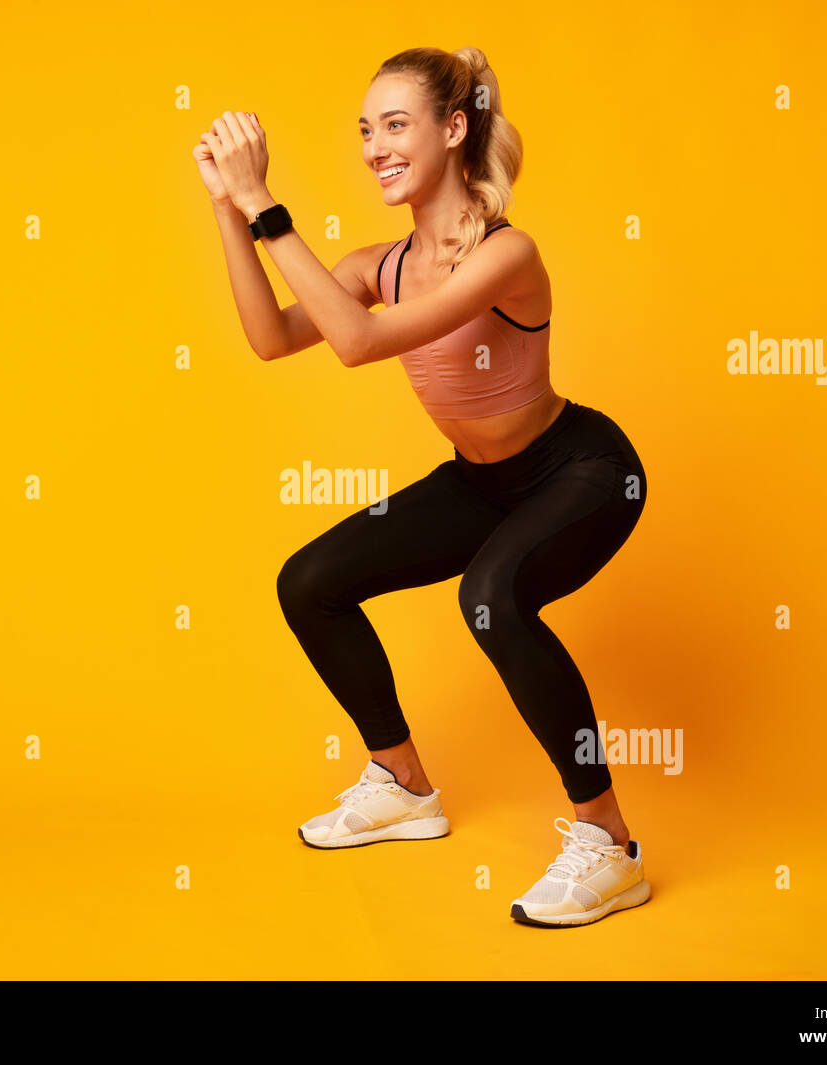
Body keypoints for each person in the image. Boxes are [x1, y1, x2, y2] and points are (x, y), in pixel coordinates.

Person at [193, 45, 650, 927]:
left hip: (583, 471)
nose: (374, 147)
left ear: (453, 129)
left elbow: (361, 344)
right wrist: (228, 207)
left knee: (493, 596)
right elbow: (270, 338)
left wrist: (264, 205)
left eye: (395, 125)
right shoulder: (381, 264)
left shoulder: (507, 254)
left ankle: (610, 843)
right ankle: (402, 783)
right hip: (480, 482)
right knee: (310, 581)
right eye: (366, 130)